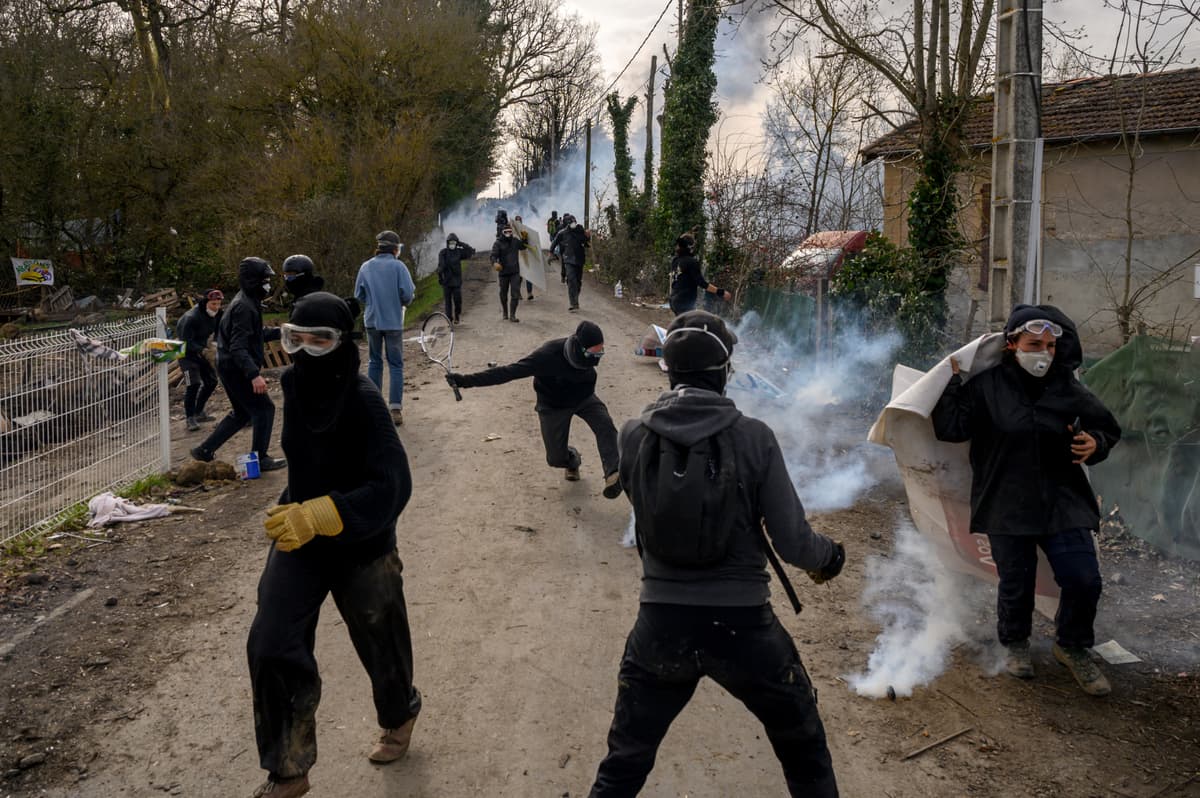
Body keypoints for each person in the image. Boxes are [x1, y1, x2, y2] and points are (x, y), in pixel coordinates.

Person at [588, 309, 844, 797]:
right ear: (723, 371)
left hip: (660, 624)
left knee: (624, 763)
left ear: (670, 368)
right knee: (804, 751)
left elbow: (643, 507)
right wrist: (830, 558)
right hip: (744, 625)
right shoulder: (756, 437)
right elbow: (793, 543)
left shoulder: (632, 434)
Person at [246, 293, 422, 798]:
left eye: (320, 342)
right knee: (271, 640)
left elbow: (394, 485)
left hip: (362, 539)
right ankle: (288, 768)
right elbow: (306, 458)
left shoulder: (366, 401)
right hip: (302, 535)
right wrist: (294, 504)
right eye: (294, 340)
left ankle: (399, 714)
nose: (305, 353)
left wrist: (328, 512)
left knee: (380, 640)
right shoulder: (295, 386)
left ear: (344, 345)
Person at [932, 303, 1122, 696]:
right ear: (1012, 344)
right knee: (1016, 581)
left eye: (1051, 346)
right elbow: (951, 429)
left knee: (1084, 579)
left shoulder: (1068, 388)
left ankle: (1072, 646)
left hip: (1062, 499)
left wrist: (1096, 443)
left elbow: (1105, 428)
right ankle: (1015, 644)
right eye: (1035, 343)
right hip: (1006, 500)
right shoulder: (986, 388)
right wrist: (950, 383)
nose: (1044, 353)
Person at [447, 320, 621, 496]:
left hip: (584, 398)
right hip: (553, 405)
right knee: (555, 458)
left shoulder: (588, 358)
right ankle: (571, 461)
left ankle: (614, 474)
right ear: (579, 347)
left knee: (605, 424)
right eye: (593, 353)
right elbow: (507, 372)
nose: (597, 358)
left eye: (600, 352)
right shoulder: (547, 356)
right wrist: (465, 381)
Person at [190, 257, 287, 471]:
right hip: (235, 367)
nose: (267, 284)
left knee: (243, 413)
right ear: (253, 280)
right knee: (265, 409)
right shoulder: (244, 307)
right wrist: (254, 374)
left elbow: (253, 335)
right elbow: (238, 346)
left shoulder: (247, 302)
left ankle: (204, 450)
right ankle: (260, 458)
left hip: (229, 365)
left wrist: (282, 331)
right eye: (264, 280)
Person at [354, 230, 415, 426]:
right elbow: (407, 294)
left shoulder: (365, 267)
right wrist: (399, 302)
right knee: (396, 364)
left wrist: (372, 301)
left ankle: (375, 407)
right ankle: (395, 408)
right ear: (395, 248)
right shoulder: (399, 267)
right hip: (393, 322)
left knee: (374, 361)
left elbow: (359, 295)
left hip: (371, 321)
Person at [176, 288, 223, 432]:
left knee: (211, 381)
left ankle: (199, 411)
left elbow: (220, 330)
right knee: (193, 384)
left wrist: (215, 343)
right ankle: (190, 418)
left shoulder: (218, 314)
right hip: (186, 354)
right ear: (205, 302)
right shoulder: (191, 318)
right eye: (213, 304)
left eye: (218, 304)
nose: (216, 307)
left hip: (202, 351)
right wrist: (203, 350)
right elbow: (185, 341)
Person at [668, 233, 731, 315]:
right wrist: (721, 292)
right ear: (691, 247)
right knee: (691, 325)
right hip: (684, 303)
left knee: (683, 325)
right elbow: (702, 283)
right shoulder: (692, 262)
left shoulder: (675, 260)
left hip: (674, 300)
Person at [550, 213, 590, 311]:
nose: (573, 224)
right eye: (571, 222)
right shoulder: (562, 233)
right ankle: (573, 303)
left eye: (574, 222)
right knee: (571, 280)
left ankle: (575, 296)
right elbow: (554, 242)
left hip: (579, 259)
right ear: (567, 224)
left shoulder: (580, 231)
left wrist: (588, 236)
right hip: (568, 259)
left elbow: (586, 242)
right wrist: (551, 253)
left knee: (578, 281)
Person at [490, 224, 527, 322]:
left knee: (515, 294)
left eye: (510, 231)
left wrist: (524, 238)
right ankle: (505, 312)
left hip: (515, 272)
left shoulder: (515, 241)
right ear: (502, 233)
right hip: (503, 273)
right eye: (506, 232)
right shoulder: (498, 243)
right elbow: (493, 255)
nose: (508, 234)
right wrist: (494, 263)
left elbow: (523, 247)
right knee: (503, 293)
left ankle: (512, 315)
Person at [436, 233, 475, 324]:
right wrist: (440, 276)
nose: (452, 244)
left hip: (457, 282)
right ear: (447, 243)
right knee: (448, 302)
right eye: (450, 242)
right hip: (446, 282)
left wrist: (460, 243)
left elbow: (470, 251)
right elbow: (441, 265)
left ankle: (457, 315)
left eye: (454, 242)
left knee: (458, 301)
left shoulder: (459, 252)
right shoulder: (443, 253)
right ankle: (449, 319)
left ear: (456, 243)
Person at [513, 214, 535, 300]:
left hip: (526, 256)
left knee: (528, 275)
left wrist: (525, 238)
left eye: (520, 221)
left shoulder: (525, 230)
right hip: (517, 256)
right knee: (519, 276)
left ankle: (529, 293)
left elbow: (530, 243)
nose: (518, 222)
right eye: (517, 221)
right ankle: (518, 292)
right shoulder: (513, 233)